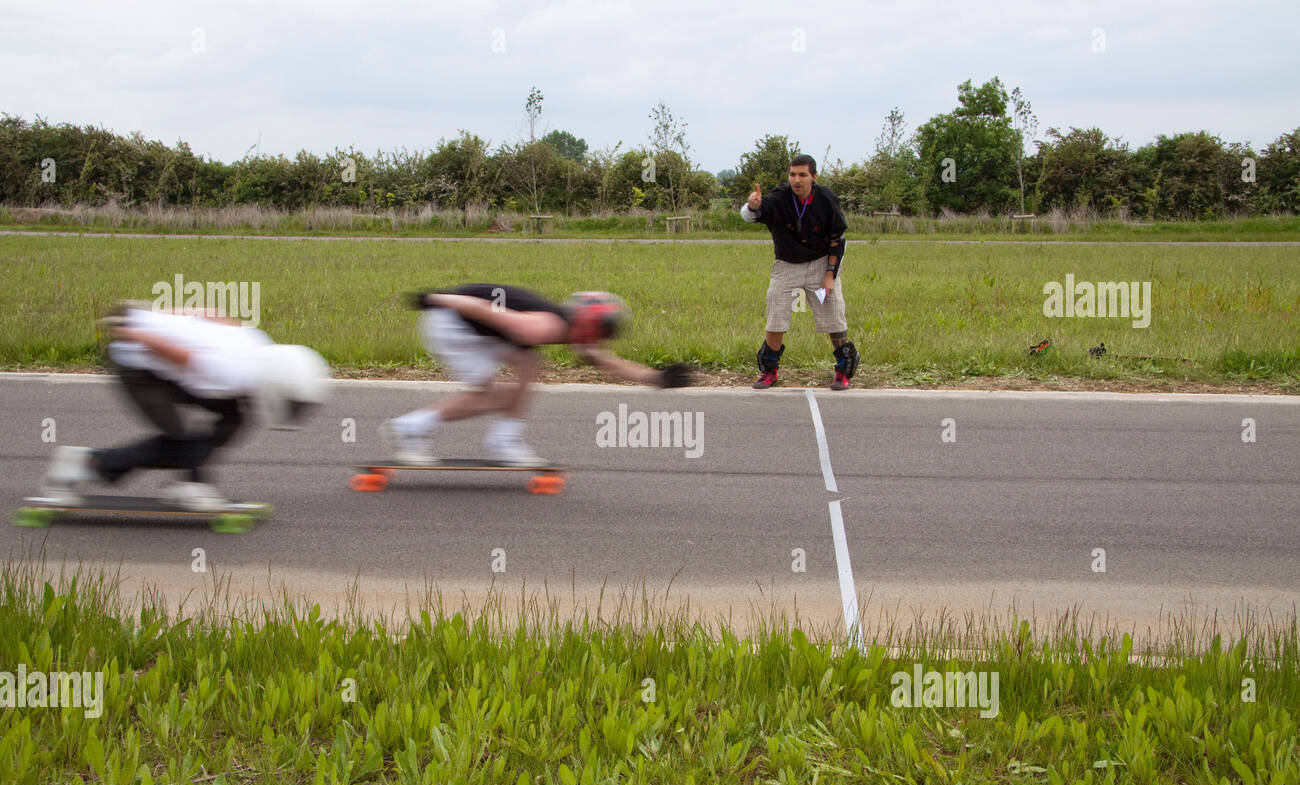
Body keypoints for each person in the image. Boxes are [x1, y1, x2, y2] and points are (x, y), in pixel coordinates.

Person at [41, 302, 330, 509]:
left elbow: (212, 315)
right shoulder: (229, 372)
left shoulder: (262, 348)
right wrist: (130, 330)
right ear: (278, 388)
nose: (294, 411)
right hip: (137, 363)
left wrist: (153, 314)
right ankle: (83, 465)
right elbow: (176, 353)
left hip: (160, 351)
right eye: (293, 404)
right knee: (180, 439)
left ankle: (190, 482)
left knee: (235, 418)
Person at [382, 284, 692, 465]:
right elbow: (484, 309)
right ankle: (411, 428)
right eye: (600, 334)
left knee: (527, 368)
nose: (599, 342)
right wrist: (435, 298)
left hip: (476, 330)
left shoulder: (572, 328)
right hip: (451, 323)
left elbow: (609, 363)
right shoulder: (540, 326)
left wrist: (657, 379)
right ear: (587, 324)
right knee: (506, 384)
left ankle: (502, 439)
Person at [740, 154, 858, 390]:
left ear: (813, 177)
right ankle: (770, 370)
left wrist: (829, 275)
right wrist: (752, 206)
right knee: (776, 313)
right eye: (792, 174)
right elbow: (754, 213)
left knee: (832, 313)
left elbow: (837, 239)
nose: (797, 179)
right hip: (787, 264)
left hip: (820, 262)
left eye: (802, 174)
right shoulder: (780, 197)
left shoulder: (825, 199)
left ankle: (843, 370)